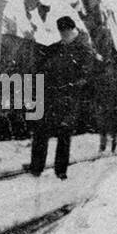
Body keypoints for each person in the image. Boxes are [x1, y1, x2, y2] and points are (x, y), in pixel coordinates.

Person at [29, 15, 96, 179]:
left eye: (66, 30)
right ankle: (36, 168)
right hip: (50, 97)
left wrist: (71, 87)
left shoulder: (84, 51)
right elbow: (41, 70)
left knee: (64, 134)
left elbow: (86, 76)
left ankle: (61, 171)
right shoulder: (53, 49)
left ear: (73, 30)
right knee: (41, 131)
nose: (64, 34)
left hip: (69, 98)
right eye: (61, 31)